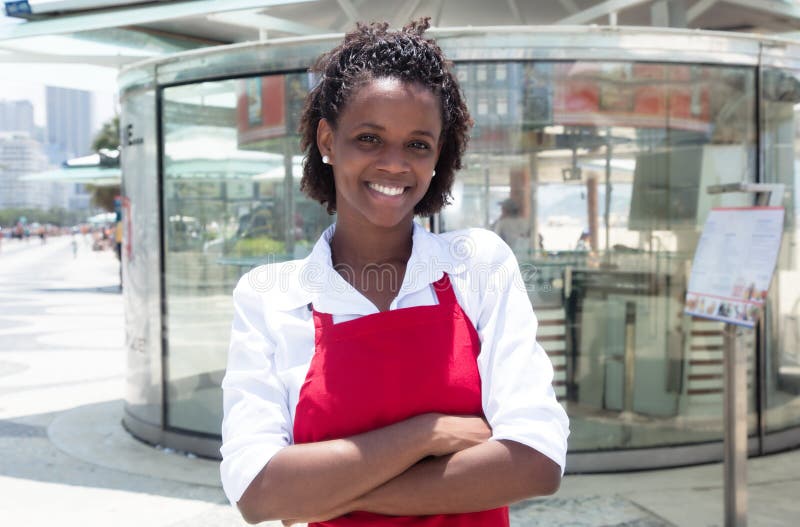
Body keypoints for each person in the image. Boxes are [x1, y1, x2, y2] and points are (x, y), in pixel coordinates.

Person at [220, 19, 569, 527]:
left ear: (437, 157)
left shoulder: (478, 265)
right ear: (328, 140)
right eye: (369, 137)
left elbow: (536, 462)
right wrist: (426, 433)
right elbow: (258, 493)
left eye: (417, 144)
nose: (394, 164)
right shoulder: (271, 298)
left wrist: (324, 492)